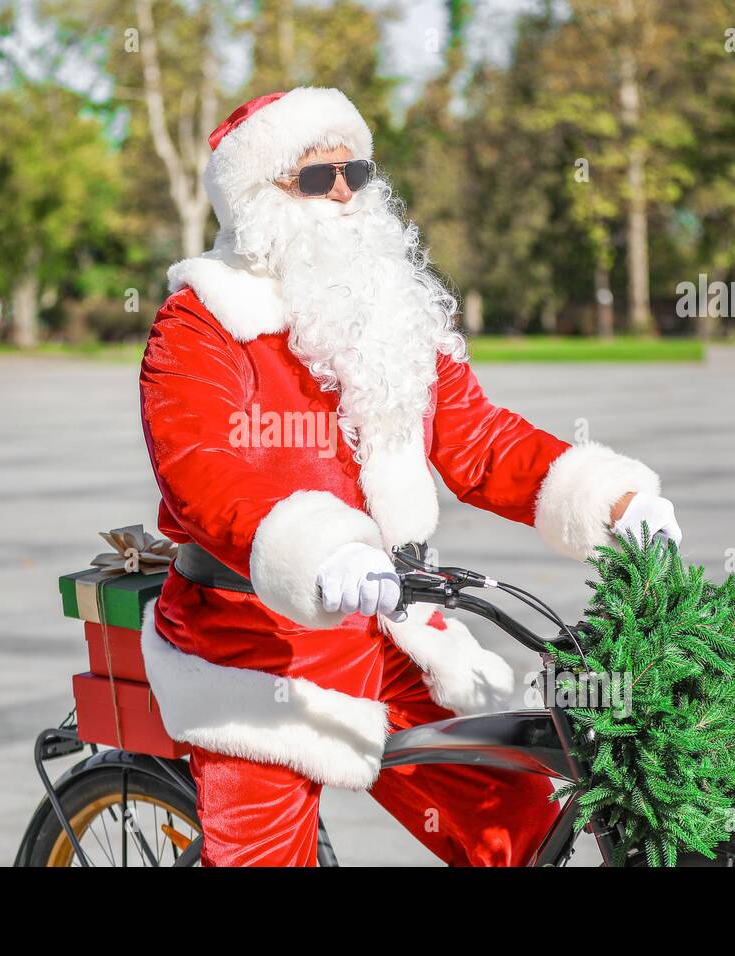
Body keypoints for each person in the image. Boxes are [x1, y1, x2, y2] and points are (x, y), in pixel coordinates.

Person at [137, 87, 682, 866]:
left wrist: (611, 500)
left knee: (515, 826)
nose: (344, 194)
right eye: (314, 177)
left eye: (355, 172)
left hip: (394, 623)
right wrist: (319, 549)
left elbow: (480, 443)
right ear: (257, 198)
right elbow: (201, 470)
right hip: (253, 642)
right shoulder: (203, 321)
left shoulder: (392, 311)